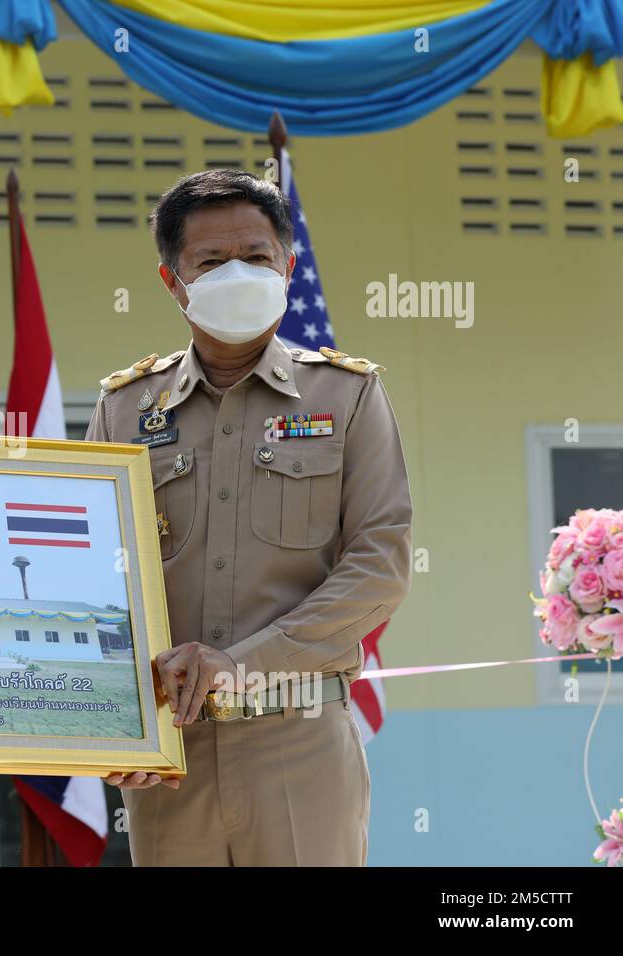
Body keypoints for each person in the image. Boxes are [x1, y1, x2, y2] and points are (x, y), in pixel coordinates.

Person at [88, 168, 412, 866]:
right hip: (170, 746)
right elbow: (94, 583)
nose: (238, 273)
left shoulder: (347, 395)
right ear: (173, 282)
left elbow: (380, 565)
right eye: (211, 261)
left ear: (288, 267)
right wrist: (113, 724)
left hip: (299, 739)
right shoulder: (123, 409)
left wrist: (239, 664)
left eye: (257, 257)